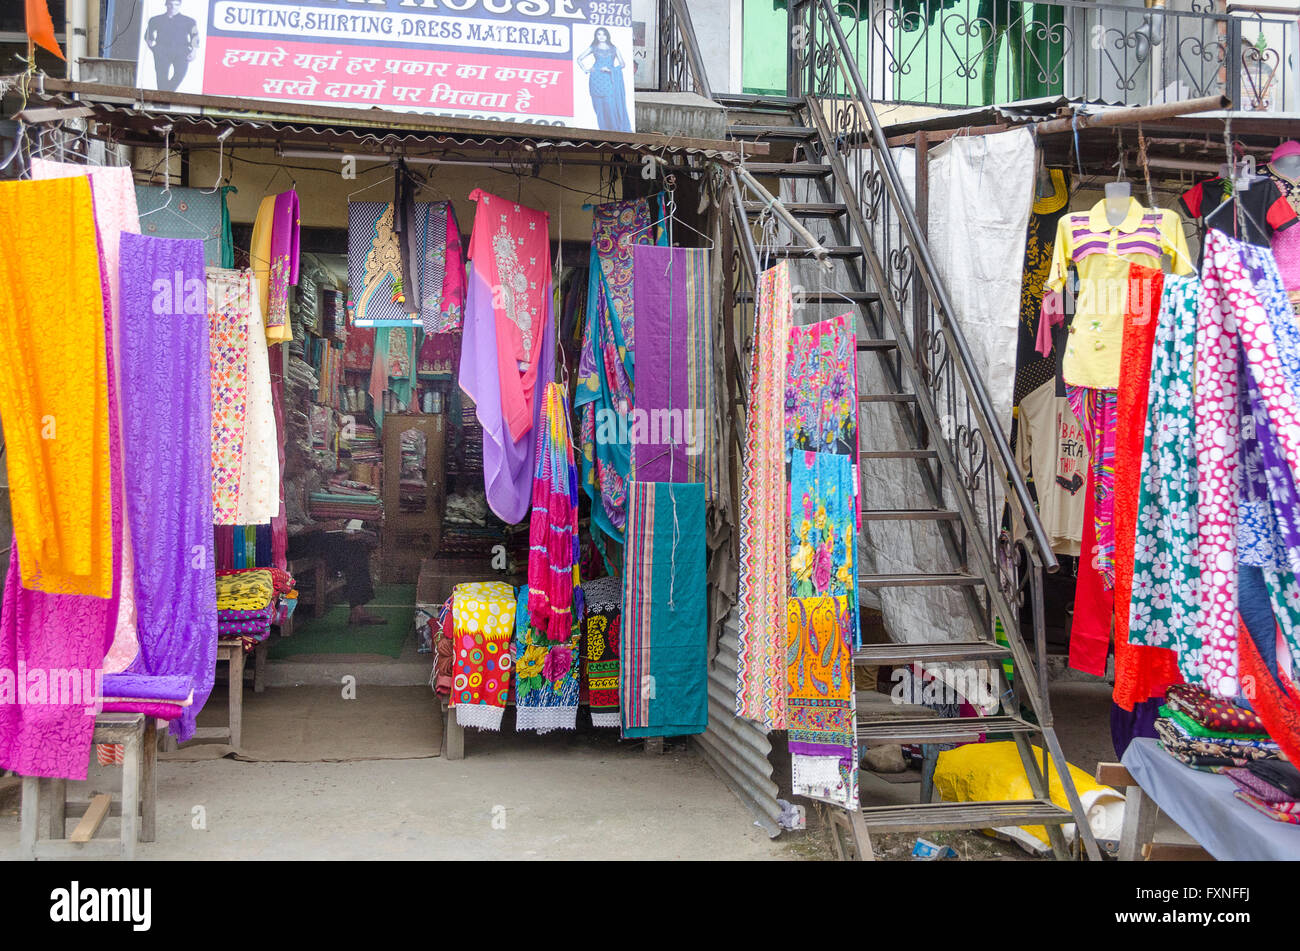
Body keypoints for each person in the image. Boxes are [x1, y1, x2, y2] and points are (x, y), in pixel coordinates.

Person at [284, 447, 386, 626]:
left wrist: (324, 524)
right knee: (348, 545)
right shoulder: (278, 487)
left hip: (304, 535)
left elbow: (303, 518)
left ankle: (358, 609)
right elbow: (288, 529)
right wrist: (320, 526)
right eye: (297, 461)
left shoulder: (293, 484)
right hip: (289, 543)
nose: (301, 465)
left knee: (354, 543)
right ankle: (357, 610)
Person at [577, 27, 632, 133]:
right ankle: (603, 131)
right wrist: (586, 69)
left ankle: (614, 131)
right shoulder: (593, 47)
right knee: (599, 105)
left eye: (603, 34)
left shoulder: (614, 48)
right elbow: (579, 58)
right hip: (596, 78)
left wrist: (610, 69)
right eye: (599, 34)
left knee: (610, 104)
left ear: (607, 36)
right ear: (596, 36)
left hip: (609, 78)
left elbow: (622, 64)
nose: (601, 36)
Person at [145, 0, 200, 92]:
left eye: (176, 5)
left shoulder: (189, 21)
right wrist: (154, 49)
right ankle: (163, 102)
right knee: (161, 76)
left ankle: (165, 94)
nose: (173, 7)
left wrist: (194, 51)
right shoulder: (155, 19)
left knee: (180, 74)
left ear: (180, 5)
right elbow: (148, 36)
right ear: (166, 5)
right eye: (170, 4)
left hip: (181, 51)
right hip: (162, 50)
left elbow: (195, 36)